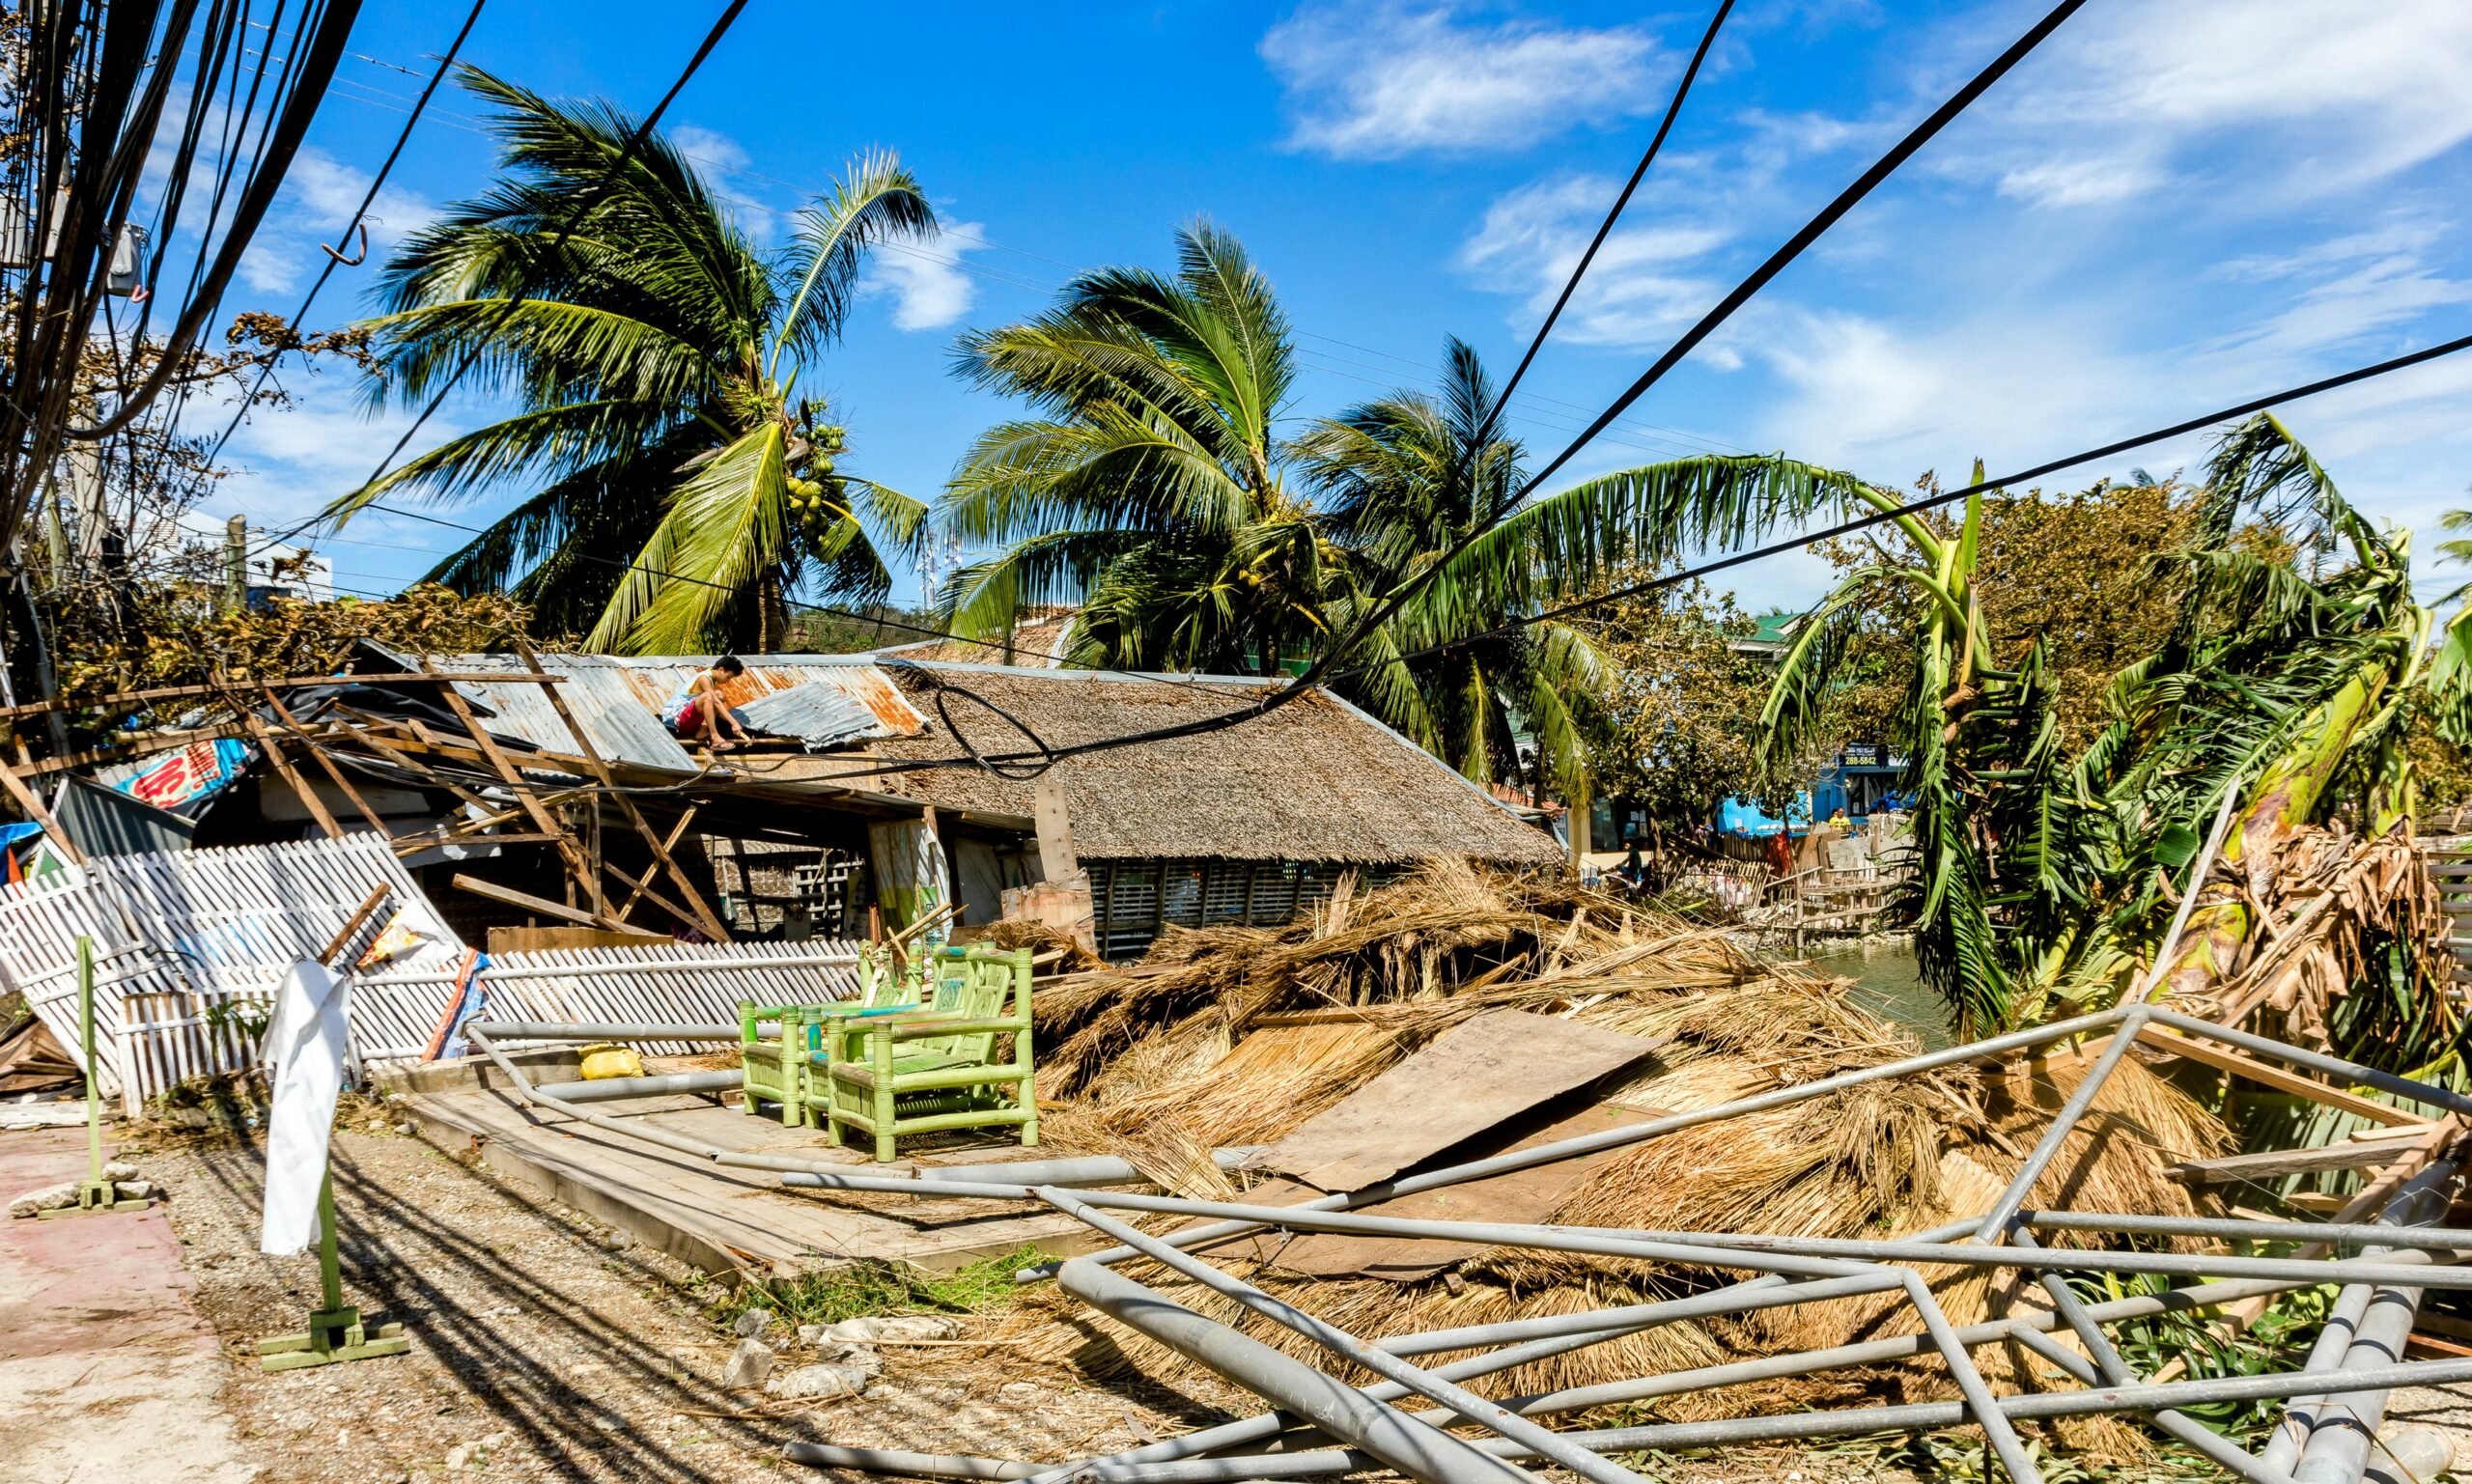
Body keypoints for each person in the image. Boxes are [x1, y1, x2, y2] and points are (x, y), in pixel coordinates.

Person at [663, 656, 752, 752]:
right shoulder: (704, 678)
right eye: (728, 677)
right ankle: (715, 737)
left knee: (719, 695)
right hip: (676, 721)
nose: (727, 681)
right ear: (721, 669)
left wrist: (733, 722)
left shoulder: (711, 678)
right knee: (708, 697)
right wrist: (734, 723)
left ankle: (702, 731)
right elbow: (717, 703)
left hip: (689, 718)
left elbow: (718, 701)